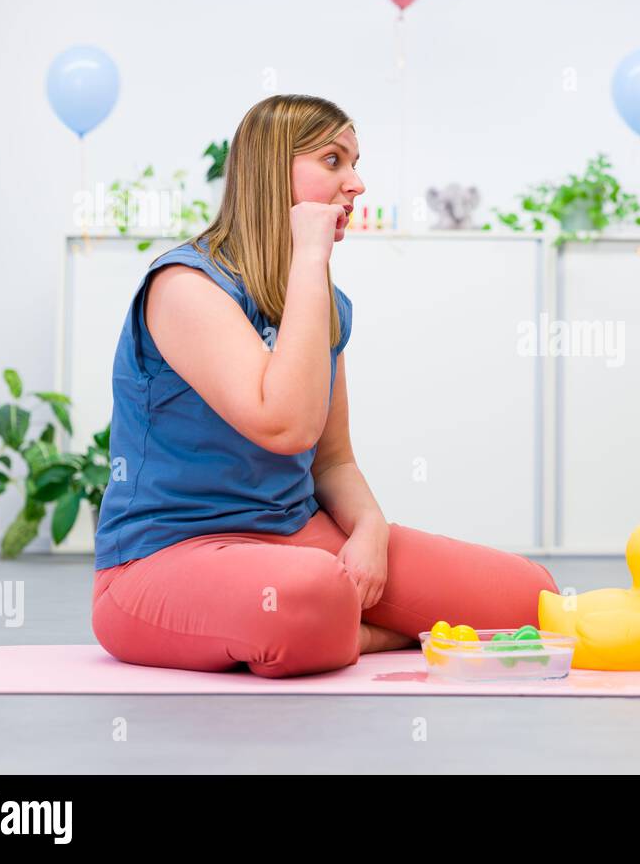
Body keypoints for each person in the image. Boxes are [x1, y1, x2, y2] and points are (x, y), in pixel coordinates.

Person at [91, 94, 558, 678]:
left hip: (298, 535)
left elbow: (332, 461)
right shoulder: (185, 287)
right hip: (164, 557)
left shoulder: (326, 306)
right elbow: (284, 425)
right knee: (305, 595)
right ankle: (365, 631)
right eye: (333, 161)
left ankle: (339, 627)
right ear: (270, 173)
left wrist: (369, 531)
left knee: (530, 600)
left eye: (356, 163)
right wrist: (309, 254)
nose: (356, 183)